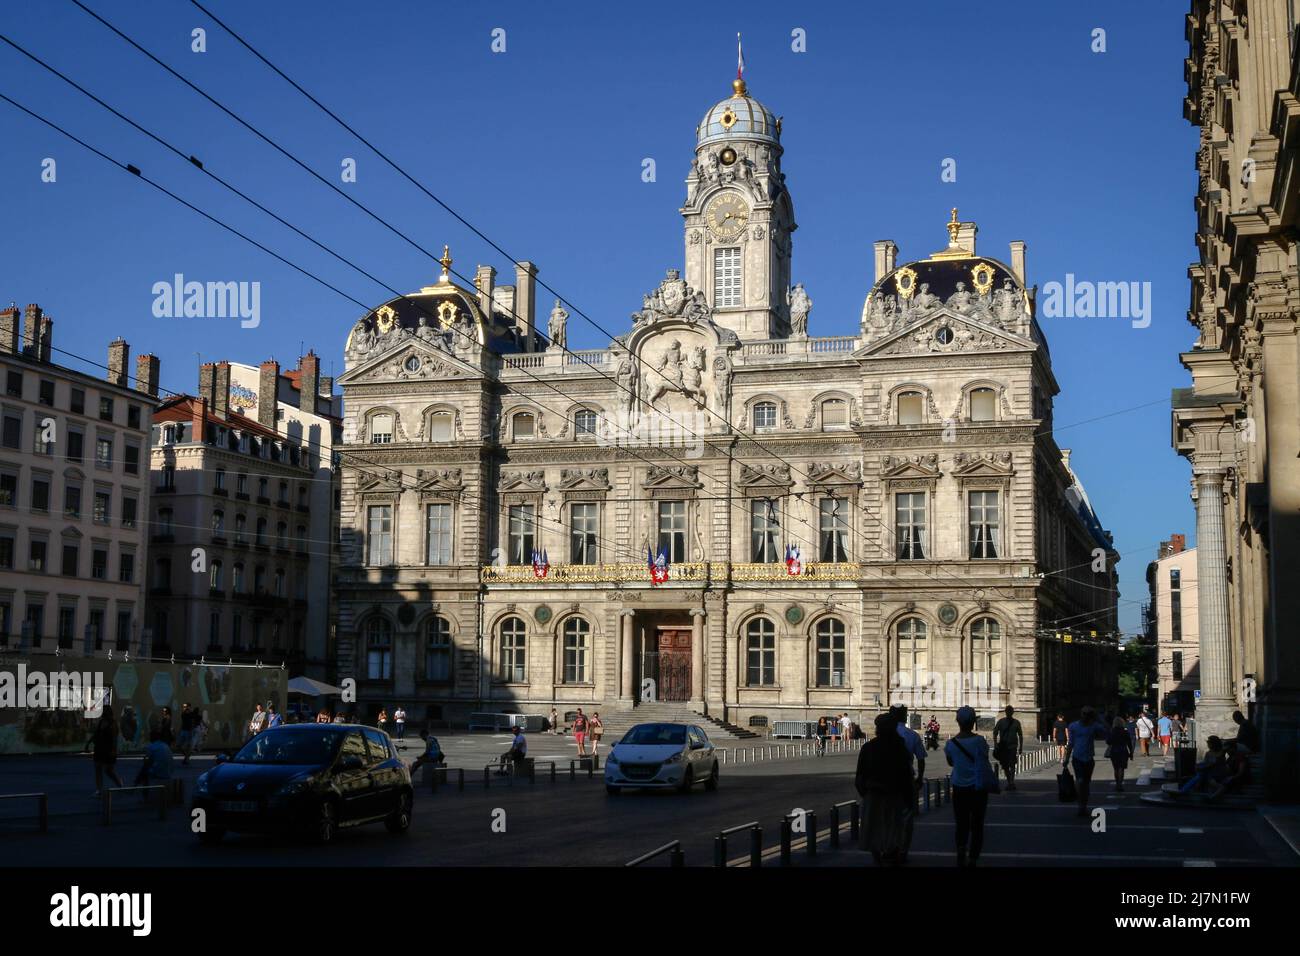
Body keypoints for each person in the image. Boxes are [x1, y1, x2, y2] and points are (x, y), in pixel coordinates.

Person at [855, 713, 914, 865]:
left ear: (877, 729)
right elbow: (906, 776)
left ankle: (878, 860)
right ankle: (891, 856)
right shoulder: (900, 748)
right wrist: (909, 799)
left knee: (873, 831)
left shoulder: (868, 747)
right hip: (894, 796)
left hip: (874, 796)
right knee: (893, 831)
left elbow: (860, 777)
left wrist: (866, 794)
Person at [944, 706, 992, 867]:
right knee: (977, 824)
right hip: (978, 787)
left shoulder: (950, 744)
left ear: (958, 722)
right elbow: (984, 757)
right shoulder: (980, 741)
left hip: (959, 787)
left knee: (961, 823)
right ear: (973, 722)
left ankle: (961, 850)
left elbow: (951, 762)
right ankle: (973, 858)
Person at [890, 705, 926, 863]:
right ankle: (903, 850)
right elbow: (921, 759)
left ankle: (889, 847)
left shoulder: (884, 734)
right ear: (905, 717)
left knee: (888, 815)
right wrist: (920, 778)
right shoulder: (912, 735)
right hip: (906, 779)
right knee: (906, 817)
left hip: (886, 780)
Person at [1062, 706, 1109, 818]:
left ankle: (1083, 806)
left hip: (1089, 758)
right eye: (1084, 713)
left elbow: (1108, 731)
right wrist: (1066, 758)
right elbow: (1071, 743)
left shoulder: (1094, 726)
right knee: (1080, 781)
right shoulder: (1073, 726)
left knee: (1086, 784)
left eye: (1088, 714)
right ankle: (1080, 805)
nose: (1085, 716)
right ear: (1081, 714)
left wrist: (1099, 718)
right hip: (1077, 758)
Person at [85, 708, 123, 795]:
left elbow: (114, 739)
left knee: (108, 770)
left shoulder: (113, 724)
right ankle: (99, 789)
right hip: (99, 748)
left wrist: (113, 750)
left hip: (108, 749)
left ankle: (119, 783)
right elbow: (96, 734)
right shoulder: (101, 722)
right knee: (98, 768)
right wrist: (88, 743)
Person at [992, 706, 1024, 791]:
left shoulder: (1015, 722)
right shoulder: (1003, 722)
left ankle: (1011, 782)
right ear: (1006, 712)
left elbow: (1020, 735)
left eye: (1010, 711)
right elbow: (995, 732)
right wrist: (995, 744)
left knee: (1010, 764)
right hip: (1005, 747)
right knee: (1006, 765)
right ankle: (1010, 782)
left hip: (1011, 747)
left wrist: (1021, 747)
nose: (1009, 713)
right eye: (1008, 711)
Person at [1106, 716, 1134, 792]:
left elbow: (1108, 741)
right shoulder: (1125, 731)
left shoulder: (1112, 731)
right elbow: (1129, 743)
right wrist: (1131, 753)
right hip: (1123, 751)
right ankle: (1120, 784)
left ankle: (1117, 784)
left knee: (1116, 768)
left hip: (1114, 751)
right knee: (1121, 768)